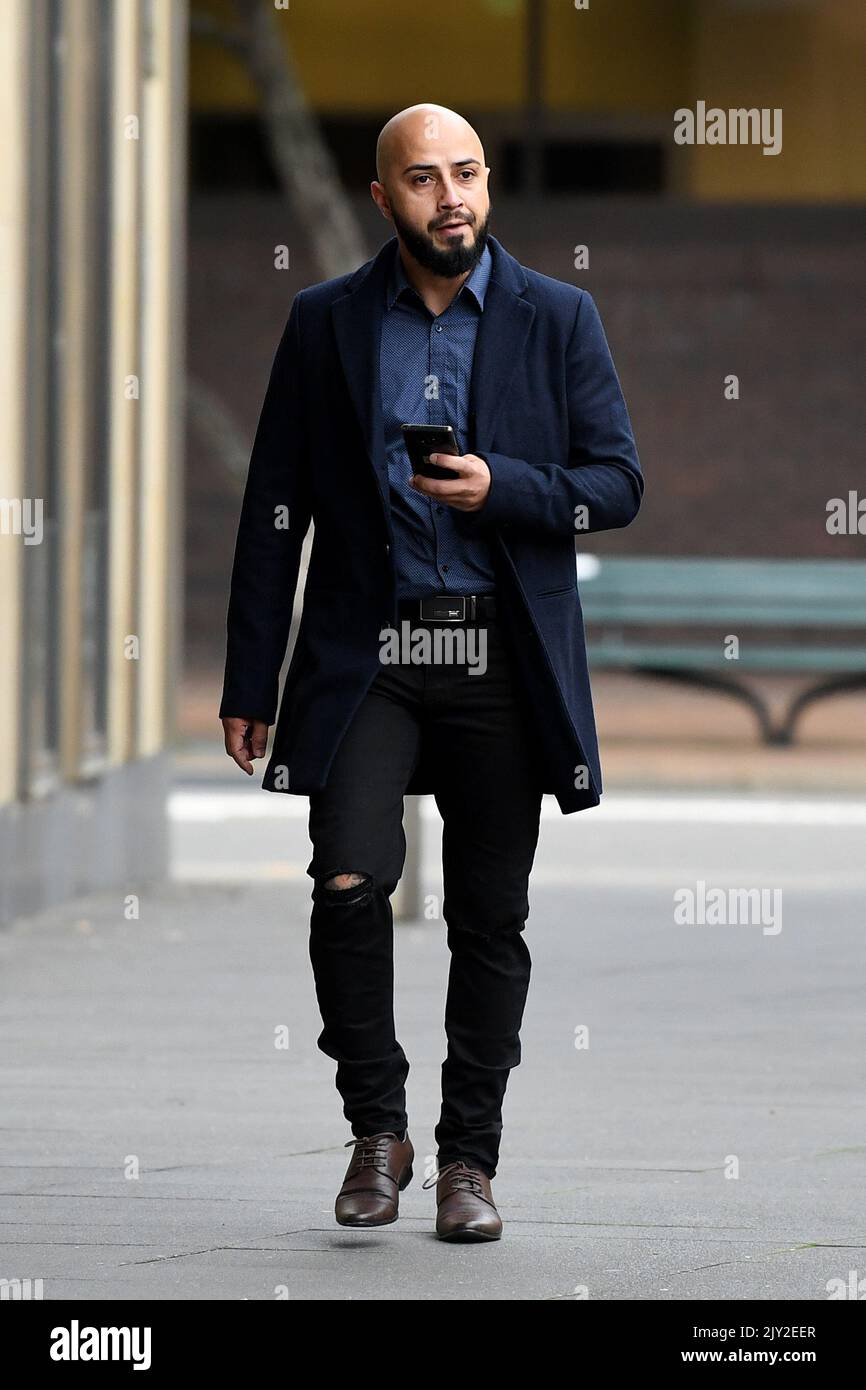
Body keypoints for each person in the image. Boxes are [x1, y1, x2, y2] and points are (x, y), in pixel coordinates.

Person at [219, 103, 643, 1242]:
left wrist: (501, 486)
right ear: (383, 198)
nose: (448, 196)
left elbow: (616, 482)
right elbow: (274, 512)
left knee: (488, 918)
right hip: (374, 655)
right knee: (346, 883)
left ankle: (467, 1159)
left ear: (488, 182)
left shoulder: (560, 318)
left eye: (465, 174)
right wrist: (249, 680)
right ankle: (376, 1126)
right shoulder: (326, 324)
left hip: (501, 657)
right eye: (422, 178)